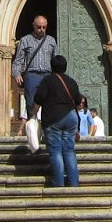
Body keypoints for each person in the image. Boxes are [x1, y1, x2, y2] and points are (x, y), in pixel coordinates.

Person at [33, 54, 82, 187]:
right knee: (69, 151)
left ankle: (58, 184)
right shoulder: (72, 82)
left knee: (55, 151)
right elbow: (79, 101)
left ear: (52, 67)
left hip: (53, 118)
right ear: (65, 67)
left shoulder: (47, 80)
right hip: (71, 118)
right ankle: (73, 183)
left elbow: (39, 98)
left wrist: (34, 113)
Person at [12, 16, 59, 122]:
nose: (41, 29)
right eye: (39, 27)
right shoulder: (25, 40)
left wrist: (57, 76)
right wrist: (17, 73)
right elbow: (18, 59)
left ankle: (46, 128)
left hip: (47, 75)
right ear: (33, 26)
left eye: (44, 27)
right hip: (32, 75)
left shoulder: (51, 40)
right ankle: (32, 127)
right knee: (31, 104)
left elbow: (55, 60)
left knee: (49, 103)